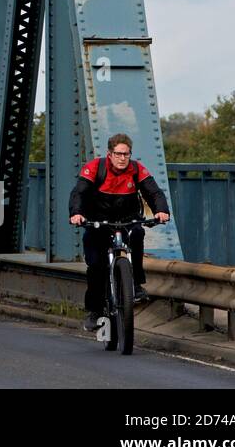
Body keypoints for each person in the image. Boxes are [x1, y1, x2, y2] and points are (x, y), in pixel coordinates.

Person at [68, 133, 171, 331]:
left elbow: (153, 192)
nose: (123, 158)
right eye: (118, 154)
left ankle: (137, 285)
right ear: (109, 154)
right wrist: (77, 214)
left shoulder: (136, 169)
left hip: (127, 220)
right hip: (97, 221)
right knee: (96, 266)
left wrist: (161, 210)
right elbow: (79, 193)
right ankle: (95, 311)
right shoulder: (94, 168)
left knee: (138, 233)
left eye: (126, 154)